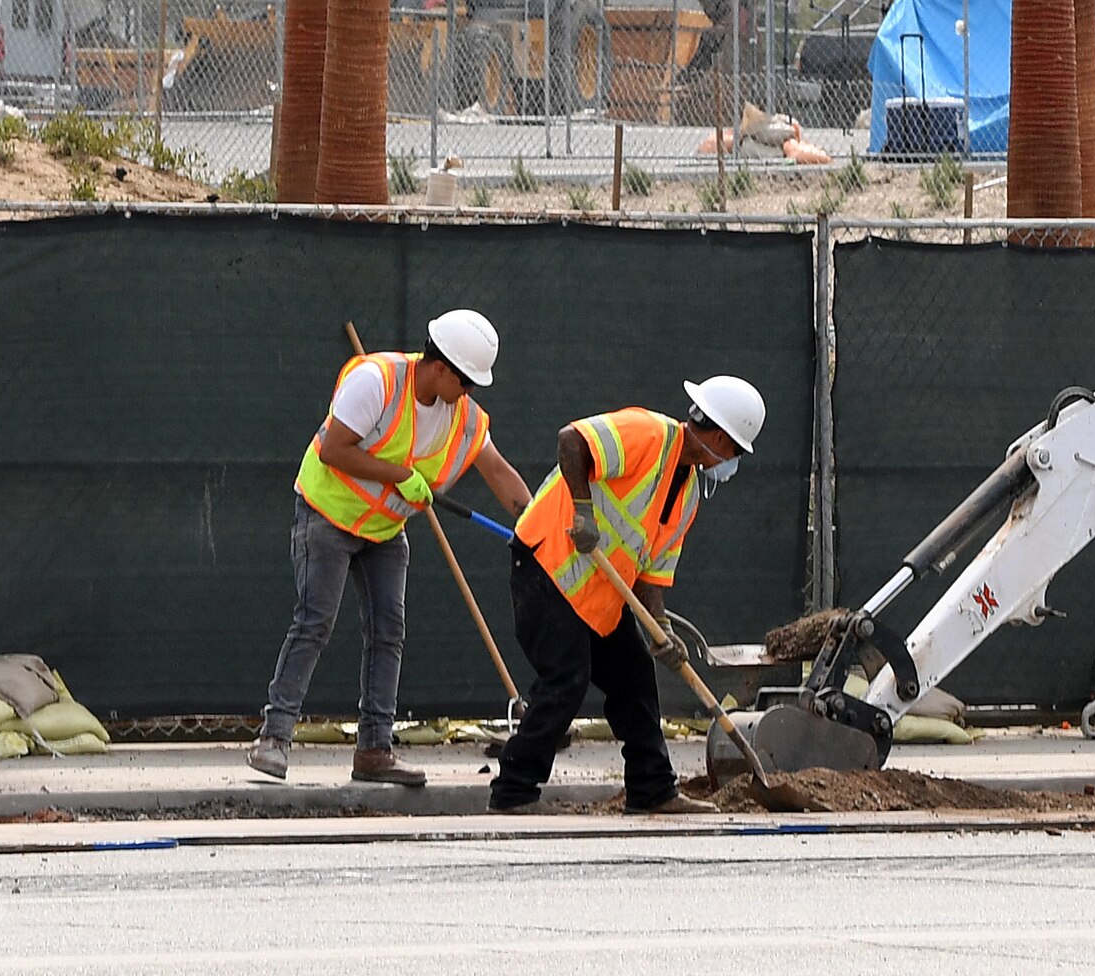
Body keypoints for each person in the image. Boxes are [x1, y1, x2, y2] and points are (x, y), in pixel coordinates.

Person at [250, 309, 533, 784]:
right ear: (440, 367)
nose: (469, 392)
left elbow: (500, 473)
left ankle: (374, 751)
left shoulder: (462, 417)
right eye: (465, 381)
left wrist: (534, 528)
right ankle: (273, 738)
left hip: (383, 531)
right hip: (327, 515)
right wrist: (401, 476)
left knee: (388, 632)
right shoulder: (376, 382)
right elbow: (334, 450)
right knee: (315, 621)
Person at [487, 375, 767, 816]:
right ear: (718, 436)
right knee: (567, 678)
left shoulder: (688, 493)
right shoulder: (648, 434)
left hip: (597, 595)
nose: (731, 463)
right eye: (735, 451)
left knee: (635, 679)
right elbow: (572, 440)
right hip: (545, 570)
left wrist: (661, 633)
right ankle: (514, 792)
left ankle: (652, 790)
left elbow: (653, 574)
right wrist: (581, 509)